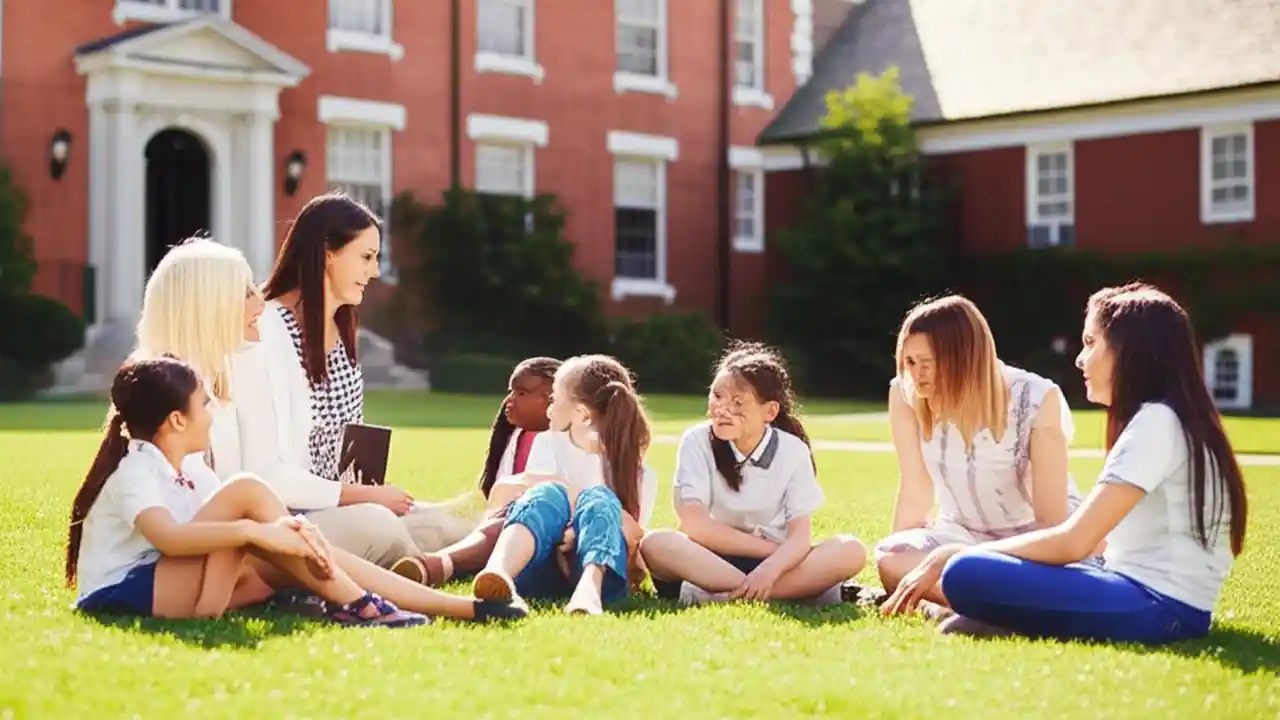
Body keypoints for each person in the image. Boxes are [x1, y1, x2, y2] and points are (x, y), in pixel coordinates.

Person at [890, 283, 1248, 644]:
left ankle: (997, 617)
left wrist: (953, 553)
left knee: (963, 571)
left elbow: (1074, 541)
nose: (1080, 359)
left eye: (1091, 343)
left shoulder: (1158, 423)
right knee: (966, 570)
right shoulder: (1162, 419)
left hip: (1158, 607)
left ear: (1130, 351)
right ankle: (996, 619)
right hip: (1136, 591)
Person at [68, 357, 526, 625]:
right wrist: (258, 533)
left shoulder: (189, 466)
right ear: (176, 421)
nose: (211, 414)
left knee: (302, 547)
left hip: (179, 581)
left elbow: (219, 532)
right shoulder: (135, 472)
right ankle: (359, 605)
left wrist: (273, 535)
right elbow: (169, 539)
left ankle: (459, 607)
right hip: (127, 590)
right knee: (252, 500)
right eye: (204, 405)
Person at [235, 193, 471, 567]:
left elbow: (348, 452)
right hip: (291, 514)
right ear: (328, 251)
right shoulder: (264, 331)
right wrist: (364, 497)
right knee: (383, 524)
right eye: (366, 257)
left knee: (451, 524)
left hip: (341, 502)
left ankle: (454, 553)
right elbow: (267, 477)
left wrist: (369, 492)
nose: (375, 272)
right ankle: (428, 565)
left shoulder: (343, 338)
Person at [876, 295, 1079, 613]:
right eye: (910, 363)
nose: (916, 375)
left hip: (1031, 546)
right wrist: (896, 576)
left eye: (926, 363)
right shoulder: (904, 394)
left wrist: (959, 560)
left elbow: (1052, 523)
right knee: (890, 555)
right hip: (959, 534)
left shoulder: (1037, 398)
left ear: (963, 358)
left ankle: (963, 601)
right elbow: (915, 489)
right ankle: (987, 603)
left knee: (1041, 580)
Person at [640, 342, 866, 606]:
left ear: (770, 411)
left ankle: (723, 596)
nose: (722, 409)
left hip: (776, 563)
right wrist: (773, 552)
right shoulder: (696, 441)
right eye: (717, 396)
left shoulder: (792, 450)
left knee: (851, 550)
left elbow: (800, 536)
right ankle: (796, 592)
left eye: (738, 402)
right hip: (708, 561)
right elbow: (695, 525)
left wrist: (770, 568)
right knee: (655, 543)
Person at [471, 355, 657, 616]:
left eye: (554, 400)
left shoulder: (636, 472)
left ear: (581, 414)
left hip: (603, 574)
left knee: (599, 499)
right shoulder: (547, 445)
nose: (549, 409)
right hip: (539, 570)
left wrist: (578, 525)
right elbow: (517, 499)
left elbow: (634, 536)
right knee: (547, 492)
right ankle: (499, 572)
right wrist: (565, 515)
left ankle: (588, 590)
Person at [391, 357, 561, 586]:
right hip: (491, 521)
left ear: (551, 399)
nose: (509, 400)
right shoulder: (517, 436)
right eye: (510, 391)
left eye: (521, 393)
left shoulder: (567, 443)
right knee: (410, 515)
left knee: (427, 530)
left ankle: (431, 565)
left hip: (518, 532)